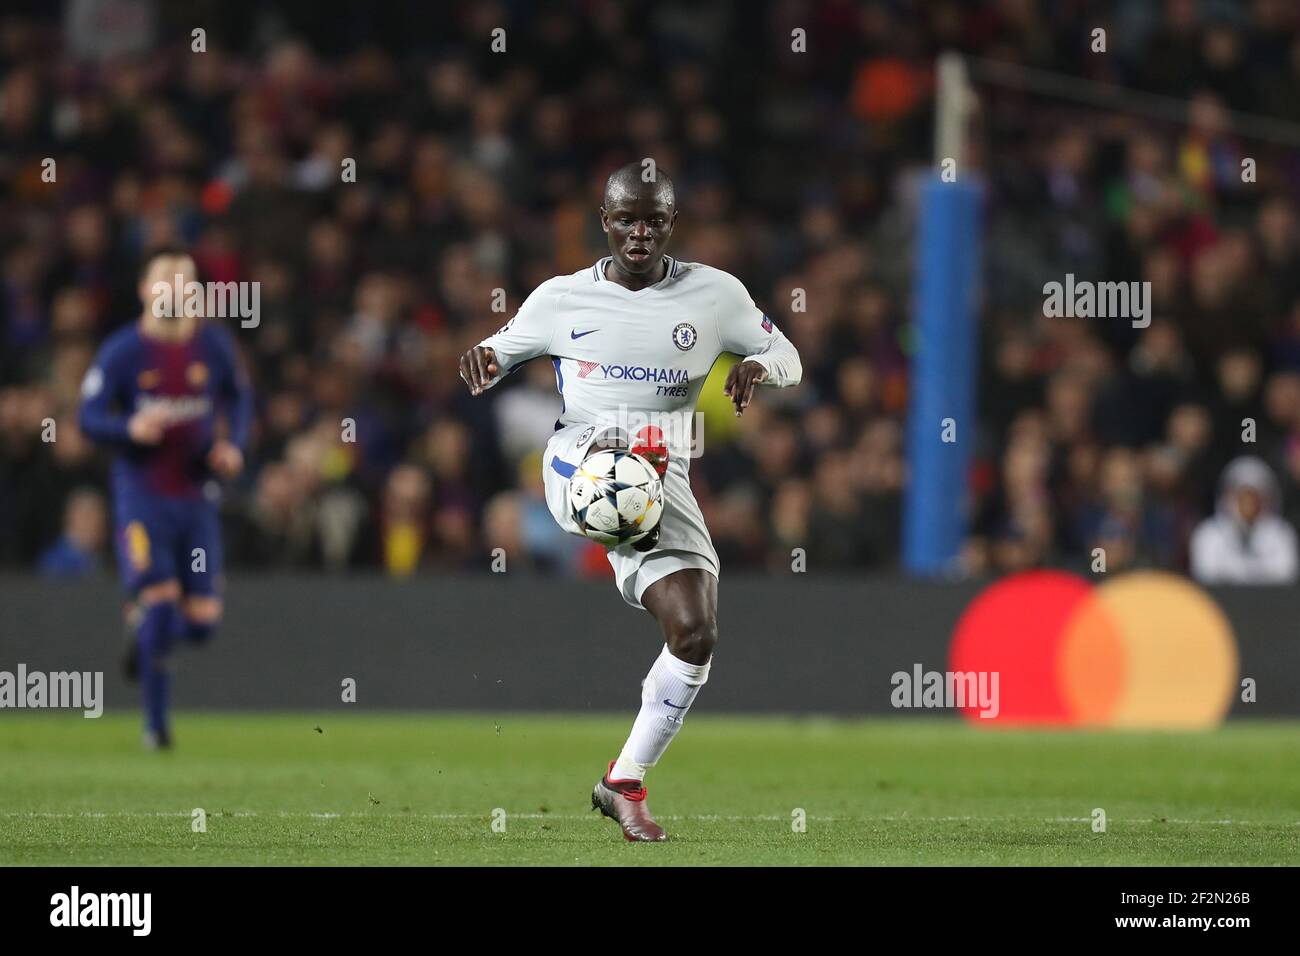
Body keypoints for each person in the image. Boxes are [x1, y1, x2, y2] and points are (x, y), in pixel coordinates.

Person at [458, 164, 802, 840]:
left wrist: (760, 365)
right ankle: (608, 498)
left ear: (672, 223)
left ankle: (624, 781)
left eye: (653, 219)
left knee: (695, 632)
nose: (639, 232)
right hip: (581, 454)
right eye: (626, 219)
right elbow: (499, 348)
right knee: (617, 469)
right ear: (605, 221)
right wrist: (484, 359)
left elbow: (786, 351)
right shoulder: (562, 298)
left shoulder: (715, 294)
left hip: (660, 463)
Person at [79, 248, 252, 748]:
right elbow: (86, 418)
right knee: (160, 600)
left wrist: (232, 445)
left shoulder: (213, 346)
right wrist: (127, 425)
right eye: (166, 280)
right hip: (143, 498)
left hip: (197, 499)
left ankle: (144, 630)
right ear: (144, 290)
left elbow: (239, 397)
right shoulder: (122, 352)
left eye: (186, 281)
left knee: (201, 624)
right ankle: (155, 728)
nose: (177, 289)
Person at [1190, 456, 1298, 585]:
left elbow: (1287, 573)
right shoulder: (1208, 534)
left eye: (1254, 497)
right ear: (1228, 497)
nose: (1248, 505)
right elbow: (1205, 573)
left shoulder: (1282, 534)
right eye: (1242, 497)